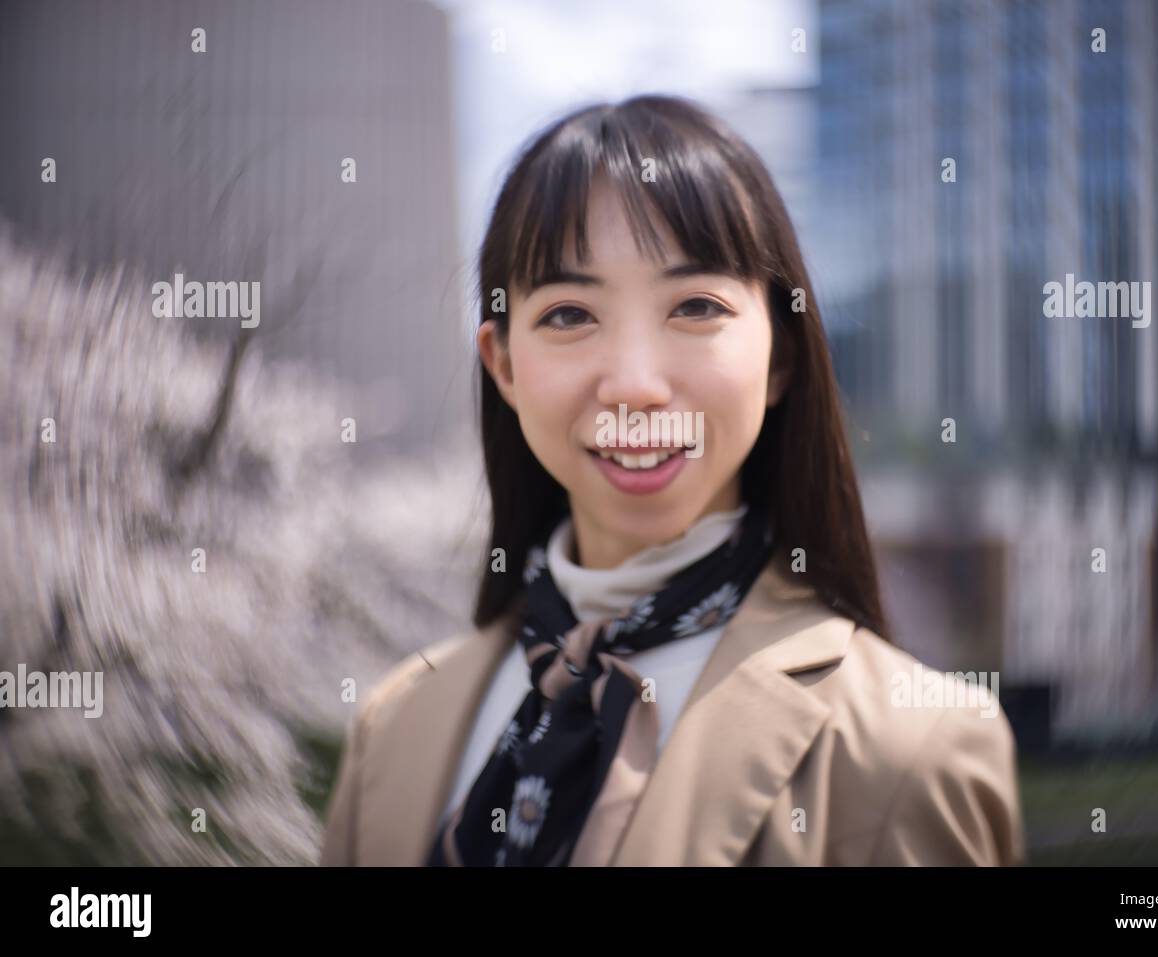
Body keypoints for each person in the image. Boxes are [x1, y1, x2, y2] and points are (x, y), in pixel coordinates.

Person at [320, 95, 1025, 867]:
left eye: (695, 306)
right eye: (568, 314)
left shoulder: (911, 750)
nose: (635, 384)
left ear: (781, 355)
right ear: (505, 364)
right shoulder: (393, 727)